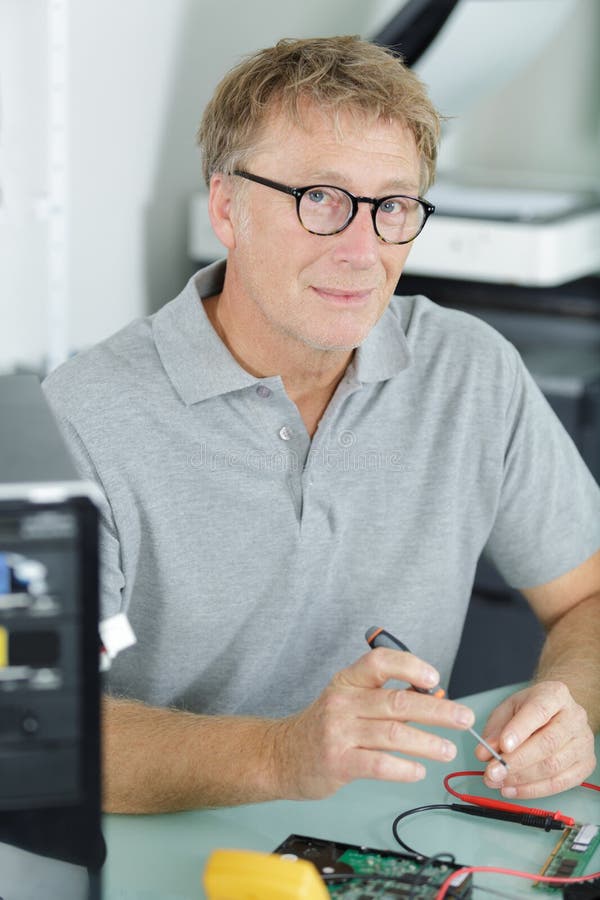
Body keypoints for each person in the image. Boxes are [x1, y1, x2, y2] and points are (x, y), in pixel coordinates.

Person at [43, 36, 600, 814]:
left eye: (393, 207)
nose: (363, 250)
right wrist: (282, 754)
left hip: (394, 844)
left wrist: (567, 704)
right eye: (322, 200)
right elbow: (31, 732)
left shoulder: (472, 370)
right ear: (227, 208)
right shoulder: (79, 418)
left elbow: (587, 599)